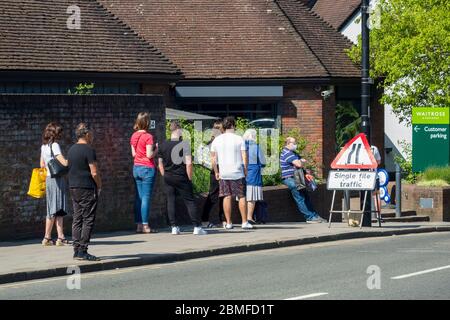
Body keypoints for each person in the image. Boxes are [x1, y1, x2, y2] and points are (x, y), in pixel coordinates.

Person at [158, 121, 207, 235]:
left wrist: (164, 175)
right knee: (189, 201)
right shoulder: (184, 144)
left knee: (171, 201)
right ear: (178, 130)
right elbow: (189, 163)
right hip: (181, 177)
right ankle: (197, 227)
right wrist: (189, 178)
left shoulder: (162, 145)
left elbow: (160, 163)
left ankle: (174, 227)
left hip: (168, 177)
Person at [210, 116, 253, 230]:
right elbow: (244, 155)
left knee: (226, 196)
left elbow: (213, 158)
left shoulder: (217, 140)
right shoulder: (239, 139)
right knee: (241, 196)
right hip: (237, 171)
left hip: (224, 172)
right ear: (233, 125)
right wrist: (246, 169)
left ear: (223, 126)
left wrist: (216, 172)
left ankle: (228, 222)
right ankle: (244, 222)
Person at [68, 123, 102, 261]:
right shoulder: (88, 150)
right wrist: (99, 185)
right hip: (87, 188)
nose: (92, 136)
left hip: (73, 187)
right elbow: (94, 172)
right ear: (86, 134)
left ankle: (76, 250)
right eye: (91, 133)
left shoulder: (71, 149)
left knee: (77, 218)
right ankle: (83, 250)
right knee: (88, 219)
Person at [280, 137, 326, 223]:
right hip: (289, 178)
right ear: (288, 144)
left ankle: (314, 215)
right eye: (294, 143)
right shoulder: (287, 153)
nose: (295, 145)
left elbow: (300, 163)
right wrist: (301, 160)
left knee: (306, 196)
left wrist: (301, 163)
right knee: (300, 196)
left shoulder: (293, 153)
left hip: (298, 177)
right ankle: (309, 217)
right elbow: (299, 164)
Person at [40, 122, 69, 246]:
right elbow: (64, 162)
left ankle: (57, 237)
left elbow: (42, 164)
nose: (60, 135)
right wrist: (71, 160)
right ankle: (49, 237)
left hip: (48, 178)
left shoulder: (43, 146)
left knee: (52, 207)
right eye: (59, 132)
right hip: (57, 179)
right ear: (55, 133)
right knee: (57, 207)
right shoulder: (55, 145)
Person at [130, 112, 157, 234]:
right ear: (147, 122)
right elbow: (149, 155)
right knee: (145, 198)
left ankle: (139, 226)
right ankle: (146, 226)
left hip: (136, 167)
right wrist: (156, 149)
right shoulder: (148, 137)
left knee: (139, 198)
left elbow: (134, 154)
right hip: (147, 168)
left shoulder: (133, 136)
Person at [198, 120, 225, 228]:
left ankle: (223, 220)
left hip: (220, 169)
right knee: (214, 196)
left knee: (223, 195)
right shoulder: (211, 144)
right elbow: (202, 158)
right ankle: (205, 219)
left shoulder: (215, 143)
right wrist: (212, 166)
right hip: (216, 170)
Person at [243, 128, 266, 224]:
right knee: (252, 197)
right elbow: (263, 161)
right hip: (254, 175)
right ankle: (249, 217)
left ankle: (243, 218)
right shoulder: (255, 147)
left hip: (242, 174)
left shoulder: (241, 146)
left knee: (243, 197)